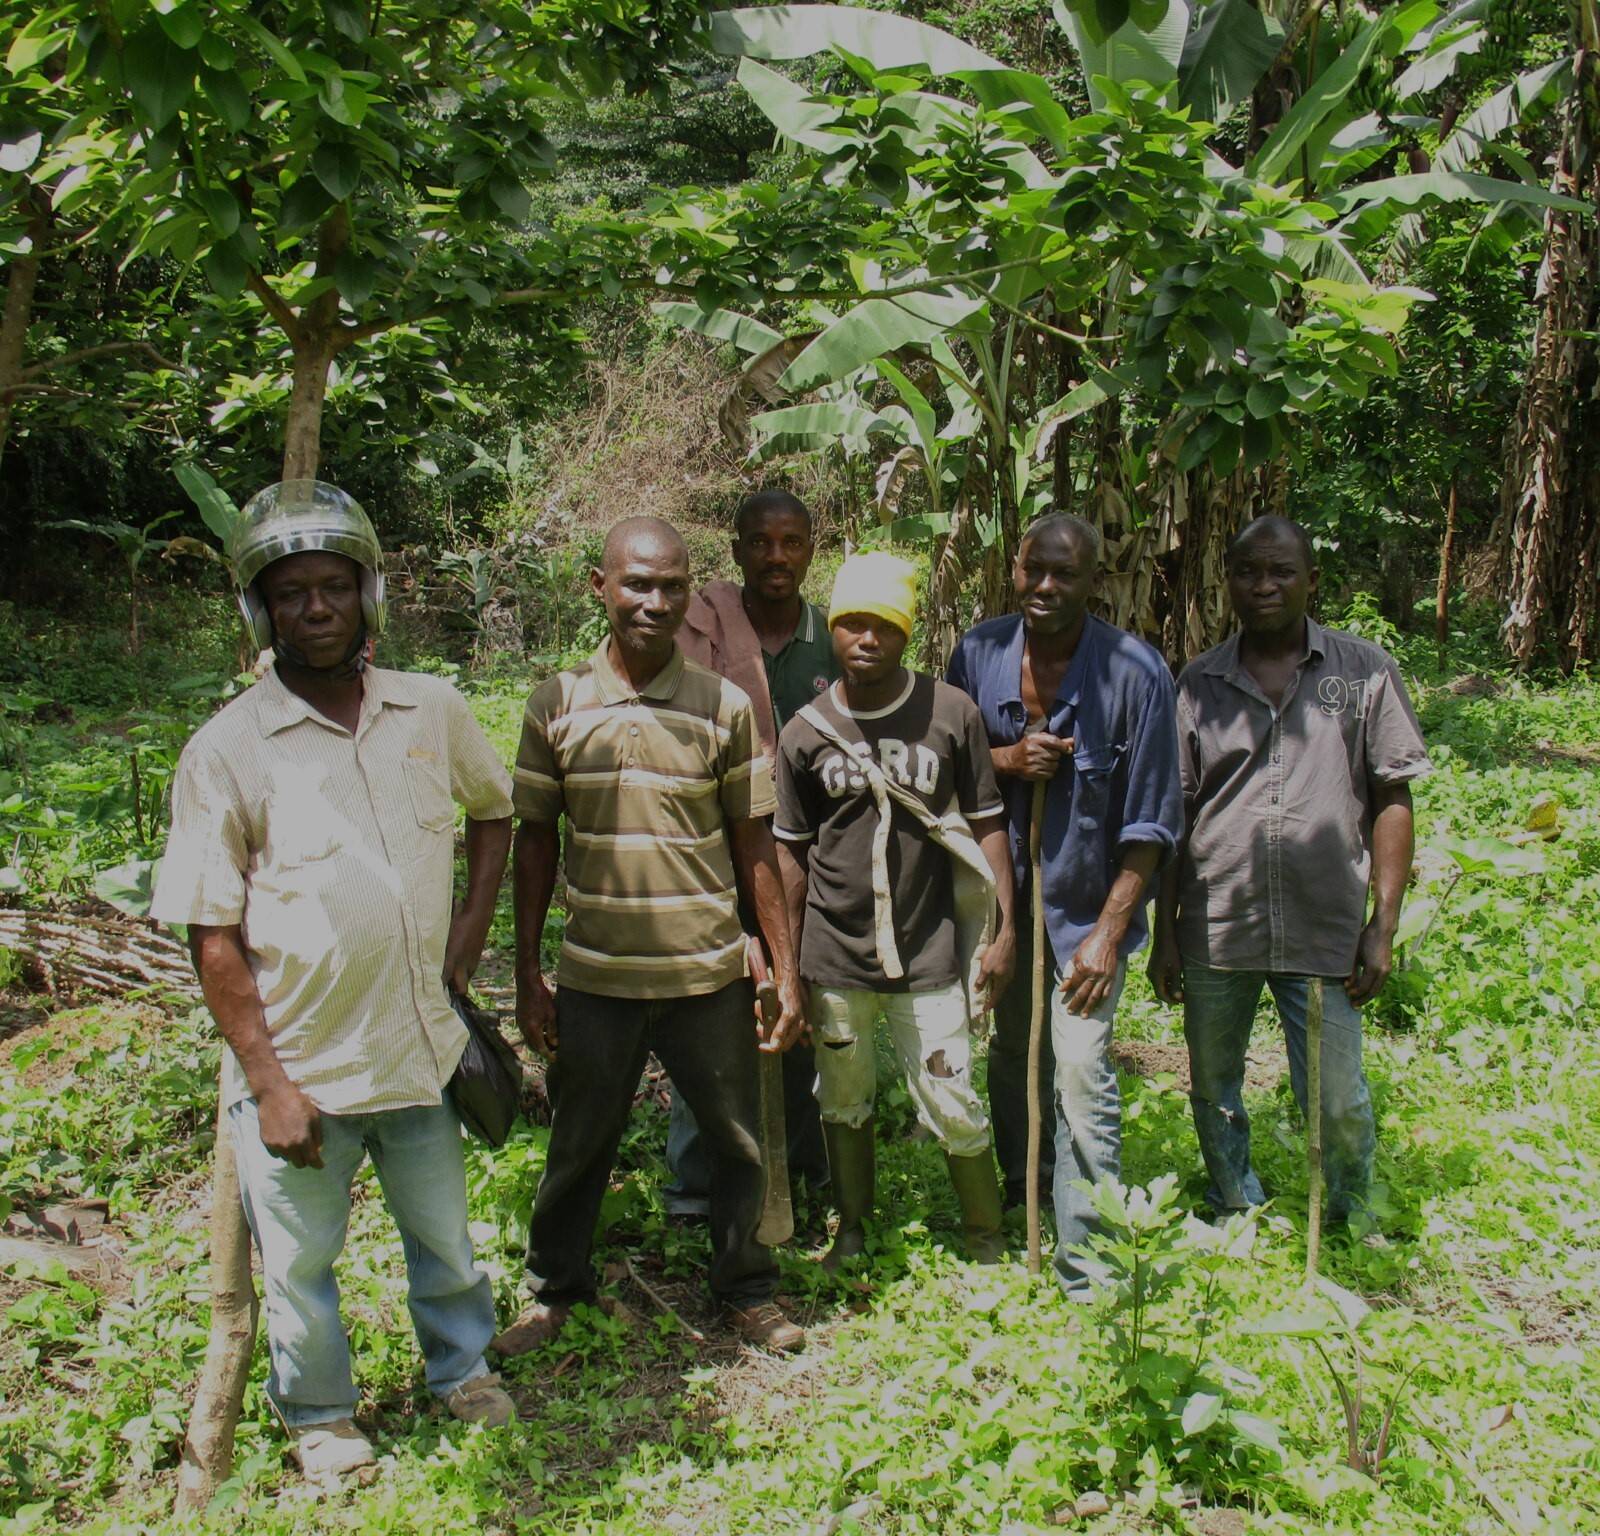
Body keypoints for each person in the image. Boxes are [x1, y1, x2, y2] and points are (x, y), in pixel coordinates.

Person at [152, 481, 516, 1483]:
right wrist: (267, 1084)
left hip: (419, 1051)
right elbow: (210, 930)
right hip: (304, 1071)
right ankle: (322, 1417)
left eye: (333, 587)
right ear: (258, 612)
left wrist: (468, 933)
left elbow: (496, 812)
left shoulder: (430, 710)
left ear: (369, 595)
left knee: (444, 1238)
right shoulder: (226, 751)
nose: (315, 609)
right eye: (289, 593)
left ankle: (465, 1371)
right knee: (303, 1269)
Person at [495, 516, 807, 1354]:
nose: (655, 602)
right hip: (598, 975)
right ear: (600, 587)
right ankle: (556, 1289)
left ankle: (745, 1290)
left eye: (673, 586)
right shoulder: (555, 703)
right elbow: (534, 841)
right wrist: (528, 973)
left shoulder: (723, 706)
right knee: (578, 1140)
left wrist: (782, 966)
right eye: (637, 584)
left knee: (736, 1141)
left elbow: (754, 844)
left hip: (706, 972)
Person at [1149, 515, 1430, 1233]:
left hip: (1325, 922)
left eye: (1281, 572)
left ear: (1312, 580)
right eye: (1248, 571)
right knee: (1214, 1085)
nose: (1264, 585)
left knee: (1336, 1095)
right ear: (1230, 582)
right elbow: (1175, 818)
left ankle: (1351, 1212)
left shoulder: (1363, 671)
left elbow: (1392, 796)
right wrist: (1165, 934)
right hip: (1219, 921)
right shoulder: (1200, 681)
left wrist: (1383, 925)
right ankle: (1235, 1202)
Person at [947, 513, 1182, 1296]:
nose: (1047, 588)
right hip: (1001, 906)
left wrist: (1110, 935)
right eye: (1033, 570)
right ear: (1014, 567)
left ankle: (1089, 1264)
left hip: (1087, 911)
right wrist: (1007, 759)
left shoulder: (1137, 673)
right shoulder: (978, 652)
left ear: (1094, 582)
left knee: (1080, 1068)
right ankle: (1024, 1195)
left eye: (1066, 575)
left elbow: (1151, 822)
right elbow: (941, 765)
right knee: (1013, 1054)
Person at [774, 550, 1017, 1268]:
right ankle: (851, 1226)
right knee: (843, 1096)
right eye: (852, 623)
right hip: (836, 950)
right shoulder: (804, 732)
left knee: (952, 1097)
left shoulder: (951, 713)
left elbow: (988, 821)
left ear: (906, 632)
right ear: (833, 631)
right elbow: (789, 852)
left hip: (931, 946)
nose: (866, 639)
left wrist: (1002, 930)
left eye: (883, 624)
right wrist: (789, 961)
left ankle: (985, 1238)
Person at [666, 488, 838, 1220]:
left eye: (792, 542)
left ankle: (802, 1167)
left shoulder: (832, 640)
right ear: (735, 550)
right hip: (710, 853)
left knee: (803, 1012)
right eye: (760, 543)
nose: (776, 556)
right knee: (707, 1016)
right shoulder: (697, 635)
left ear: (810, 550)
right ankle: (696, 1184)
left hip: (812, 868)